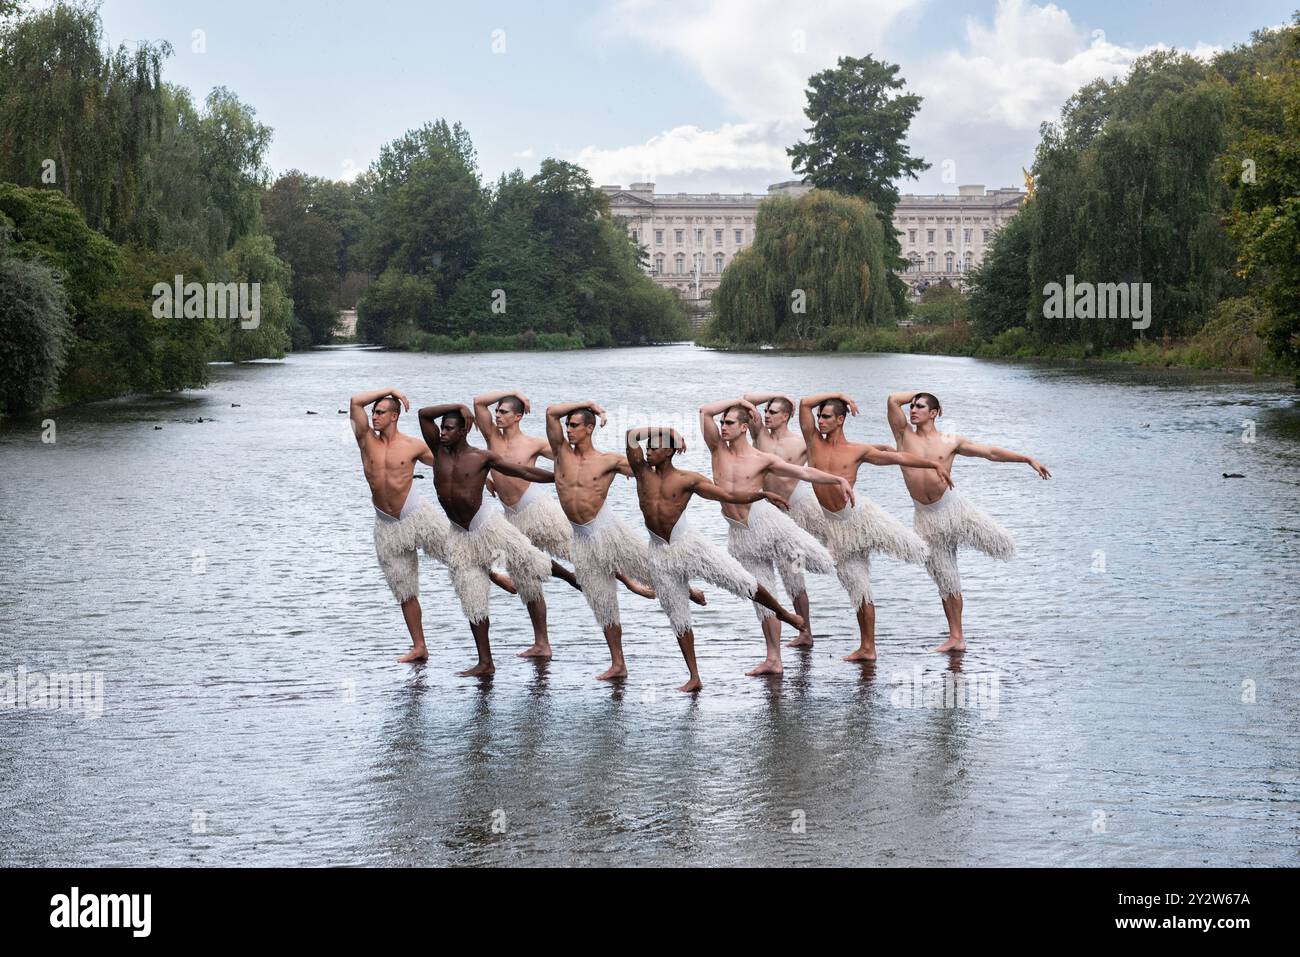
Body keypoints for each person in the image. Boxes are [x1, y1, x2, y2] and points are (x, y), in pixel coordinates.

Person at [626, 425, 805, 692]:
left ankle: (784, 614)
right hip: (659, 552)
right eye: (648, 447)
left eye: (655, 448)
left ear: (669, 452)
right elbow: (630, 435)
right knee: (677, 617)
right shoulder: (642, 473)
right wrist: (667, 430)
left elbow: (729, 495)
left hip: (688, 544)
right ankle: (694, 676)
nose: (649, 452)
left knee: (741, 581)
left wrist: (762, 494)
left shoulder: (688, 480)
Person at [350, 388, 513, 664]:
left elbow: (447, 462)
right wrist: (390, 391)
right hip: (387, 525)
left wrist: (480, 478)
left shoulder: (413, 444)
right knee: (404, 589)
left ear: (394, 416)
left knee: (456, 553)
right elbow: (355, 402)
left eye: (379, 413)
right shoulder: (366, 440)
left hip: (416, 514)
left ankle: (493, 573)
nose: (373, 417)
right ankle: (419, 647)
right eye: (373, 412)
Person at [887, 390, 1051, 653]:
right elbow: (893, 400)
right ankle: (956, 637)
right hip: (926, 518)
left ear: (935, 413)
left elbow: (990, 453)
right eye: (913, 406)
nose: (913, 410)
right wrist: (919, 391)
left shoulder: (950, 441)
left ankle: (1033, 574)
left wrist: (1026, 459)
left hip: (954, 508)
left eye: (920, 406)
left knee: (1002, 544)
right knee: (946, 579)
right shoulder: (903, 435)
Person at [544, 400, 694, 681]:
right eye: (567, 425)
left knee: (653, 572)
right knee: (602, 603)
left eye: (574, 425)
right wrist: (589, 404)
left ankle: (687, 590)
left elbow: (649, 472)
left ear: (589, 429)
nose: (568, 430)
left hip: (608, 530)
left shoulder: (609, 461)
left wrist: (669, 434)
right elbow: (551, 412)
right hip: (581, 538)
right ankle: (618, 664)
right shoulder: (561, 453)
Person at [798, 392, 954, 662]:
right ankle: (867, 648)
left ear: (840, 420)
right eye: (819, 417)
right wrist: (839, 394)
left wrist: (931, 463)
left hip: (861, 518)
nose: (820, 421)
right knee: (859, 590)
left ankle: (943, 565)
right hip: (837, 529)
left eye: (826, 417)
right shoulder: (813, 443)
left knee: (917, 550)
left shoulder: (857, 451)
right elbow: (803, 403)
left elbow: (899, 459)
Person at [699, 397, 848, 676]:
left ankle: (839, 550)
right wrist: (741, 401)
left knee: (818, 563)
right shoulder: (717, 450)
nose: (722, 426)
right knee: (763, 598)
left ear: (744, 427)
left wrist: (837, 480)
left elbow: (802, 471)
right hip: (740, 535)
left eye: (729, 422)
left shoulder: (762, 459)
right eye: (722, 422)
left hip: (767, 522)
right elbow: (705, 410)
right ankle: (773, 658)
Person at [417, 402, 556, 677]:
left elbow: (524, 472)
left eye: (449, 428)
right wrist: (457, 406)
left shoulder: (481, 457)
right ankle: (485, 663)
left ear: (463, 431)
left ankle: (577, 579)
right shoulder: (438, 451)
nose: (443, 432)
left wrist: (559, 478)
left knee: (534, 563)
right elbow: (423, 414)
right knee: (472, 599)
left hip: (487, 525)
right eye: (442, 427)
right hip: (459, 535)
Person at [473, 389, 582, 659]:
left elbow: (566, 459)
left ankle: (629, 581)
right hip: (512, 517)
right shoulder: (491, 439)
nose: (497, 416)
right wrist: (513, 392)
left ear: (518, 417)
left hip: (537, 507)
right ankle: (542, 643)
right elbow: (478, 402)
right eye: (497, 411)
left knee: (580, 550)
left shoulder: (533, 444)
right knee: (528, 581)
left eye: (504, 412)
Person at [743, 392, 821, 647]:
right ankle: (773, 636)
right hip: (760, 517)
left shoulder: (800, 444)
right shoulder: (759, 436)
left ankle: (806, 632)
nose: (766, 416)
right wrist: (775, 395)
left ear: (786, 416)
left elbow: (820, 465)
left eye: (773, 411)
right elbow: (746, 400)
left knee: (795, 576)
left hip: (790, 519)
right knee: (762, 577)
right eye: (766, 411)